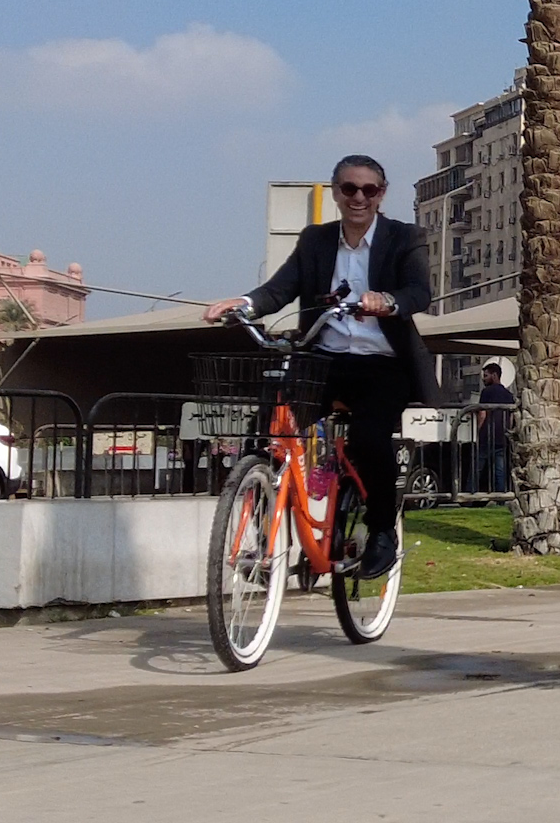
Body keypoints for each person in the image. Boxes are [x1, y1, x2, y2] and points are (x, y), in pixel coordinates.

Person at [204, 154, 434, 579]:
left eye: (369, 190)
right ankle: (263, 533)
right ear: (336, 193)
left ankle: (383, 530)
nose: (359, 197)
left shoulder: (405, 237)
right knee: (271, 428)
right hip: (321, 362)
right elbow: (281, 288)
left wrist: (388, 301)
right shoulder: (316, 240)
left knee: (369, 439)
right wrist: (244, 304)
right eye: (349, 189)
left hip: (382, 364)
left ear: (381, 194)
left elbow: (420, 291)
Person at [474, 362, 514, 494]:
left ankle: (469, 495)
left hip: (487, 436)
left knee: (477, 468)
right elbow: (511, 417)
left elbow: (482, 414)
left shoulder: (486, 392)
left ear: (494, 375)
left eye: (486, 376)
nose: (484, 379)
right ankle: (500, 498)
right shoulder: (509, 395)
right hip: (502, 437)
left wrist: (478, 432)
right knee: (500, 471)